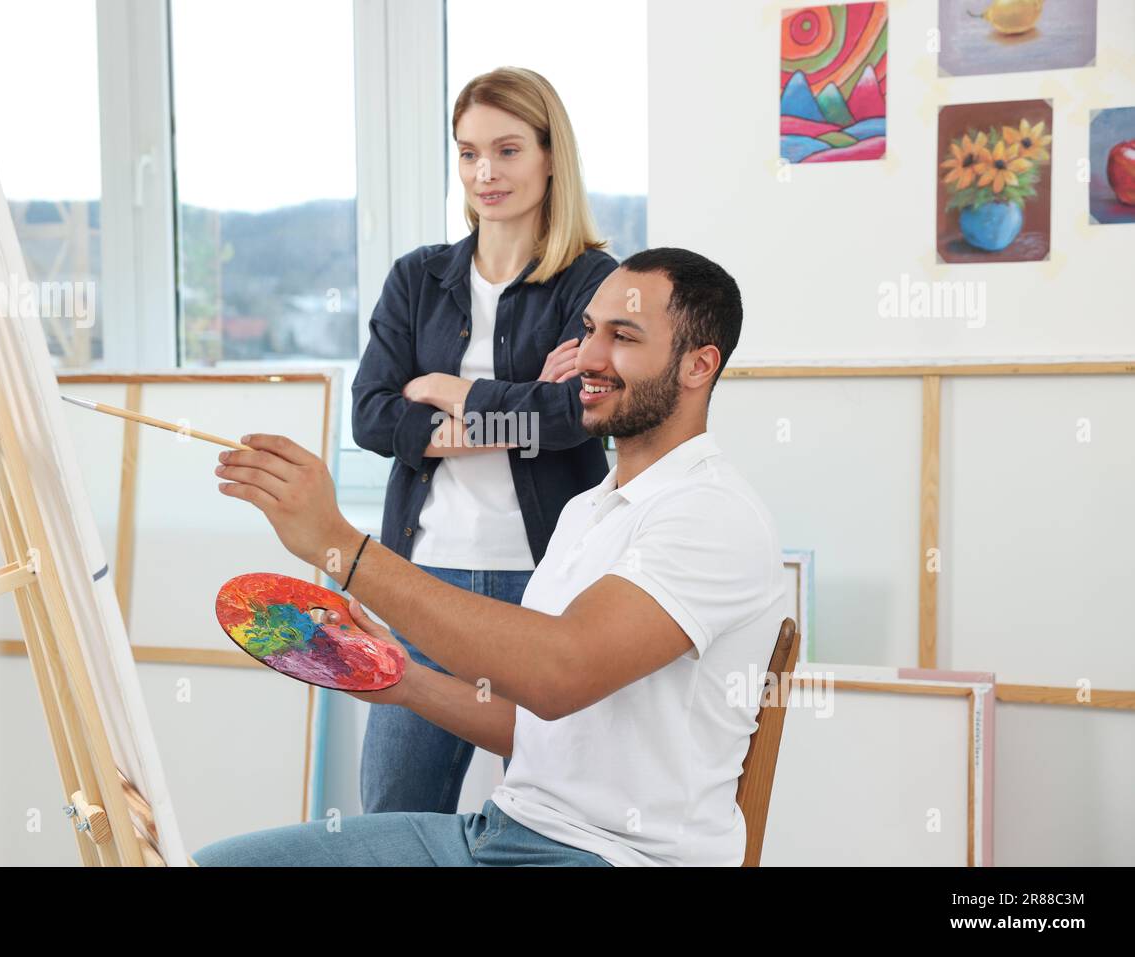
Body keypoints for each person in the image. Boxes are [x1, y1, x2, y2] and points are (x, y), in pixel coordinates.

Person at [200, 248, 785, 867]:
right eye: (589, 330)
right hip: (500, 832)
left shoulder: (712, 514)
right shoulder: (586, 510)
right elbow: (536, 728)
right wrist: (403, 678)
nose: (587, 356)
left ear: (699, 366)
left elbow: (558, 675)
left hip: (617, 856)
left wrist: (339, 545)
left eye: (624, 337)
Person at [350, 66, 618, 814]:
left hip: (543, 584)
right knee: (393, 819)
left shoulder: (594, 281)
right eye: (468, 153)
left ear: (549, 155)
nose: (484, 173)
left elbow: (575, 414)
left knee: (547, 817)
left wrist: (444, 389)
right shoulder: (417, 278)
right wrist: (524, 405)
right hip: (425, 577)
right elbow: (371, 415)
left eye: (506, 151)